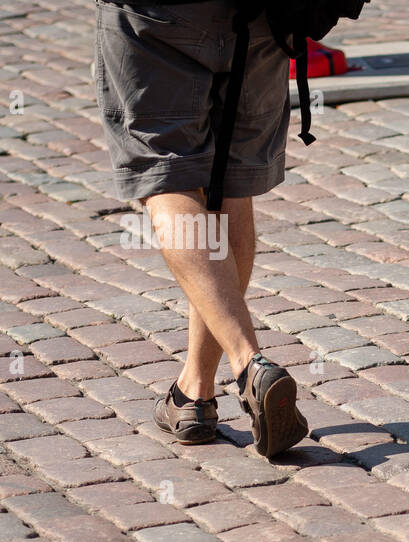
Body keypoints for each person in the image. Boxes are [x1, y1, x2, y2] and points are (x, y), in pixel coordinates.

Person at [94, 0, 308, 457]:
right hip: (262, 15)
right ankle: (194, 393)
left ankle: (249, 362)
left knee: (167, 173)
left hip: (157, 13)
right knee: (230, 183)